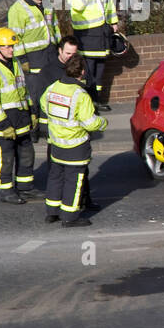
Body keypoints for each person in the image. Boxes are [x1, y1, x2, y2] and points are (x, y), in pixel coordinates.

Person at [39, 54, 106, 227]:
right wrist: (102, 123)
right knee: (74, 181)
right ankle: (69, 217)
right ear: (82, 72)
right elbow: (90, 123)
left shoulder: (54, 87)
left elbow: (43, 103)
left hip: (56, 143)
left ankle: (52, 212)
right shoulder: (80, 95)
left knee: (55, 176)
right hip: (75, 145)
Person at [0, 26, 35, 204]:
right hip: (4, 124)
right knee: (6, 157)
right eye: (7, 46)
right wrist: (4, 125)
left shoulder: (15, 63)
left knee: (26, 154)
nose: (11, 49)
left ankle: (25, 187)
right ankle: (6, 189)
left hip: (21, 120)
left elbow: (23, 90)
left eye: (12, 46)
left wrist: (31, 111)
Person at [65, 0, 121, 112]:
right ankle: (89, 102)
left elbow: (108, 2)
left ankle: (98, 100)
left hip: (102, 30)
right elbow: (77, 5)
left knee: (100, 68)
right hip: (86, 33)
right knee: (88, 69)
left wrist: (113, 21)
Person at [7, 0, 60, 82]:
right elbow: (16, 38)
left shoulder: (47, 4)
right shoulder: (17, 10)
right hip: (34, 60)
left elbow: (55, 26)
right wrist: (23, 61)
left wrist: (60, 47)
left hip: (51, 55)